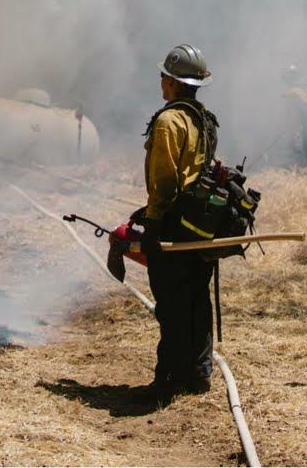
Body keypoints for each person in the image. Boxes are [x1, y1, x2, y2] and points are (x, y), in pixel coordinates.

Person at [138, 44, 219, 403]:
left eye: (164, 76)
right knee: (197, 299)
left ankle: (169, 377)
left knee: (171, 303)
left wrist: (153, 224)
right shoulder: (203, 118)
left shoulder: (169, 121)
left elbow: (166, 180)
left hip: (173, 224)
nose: (160, 81)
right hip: (200, 224)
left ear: (173, 82)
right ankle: (199, 372)